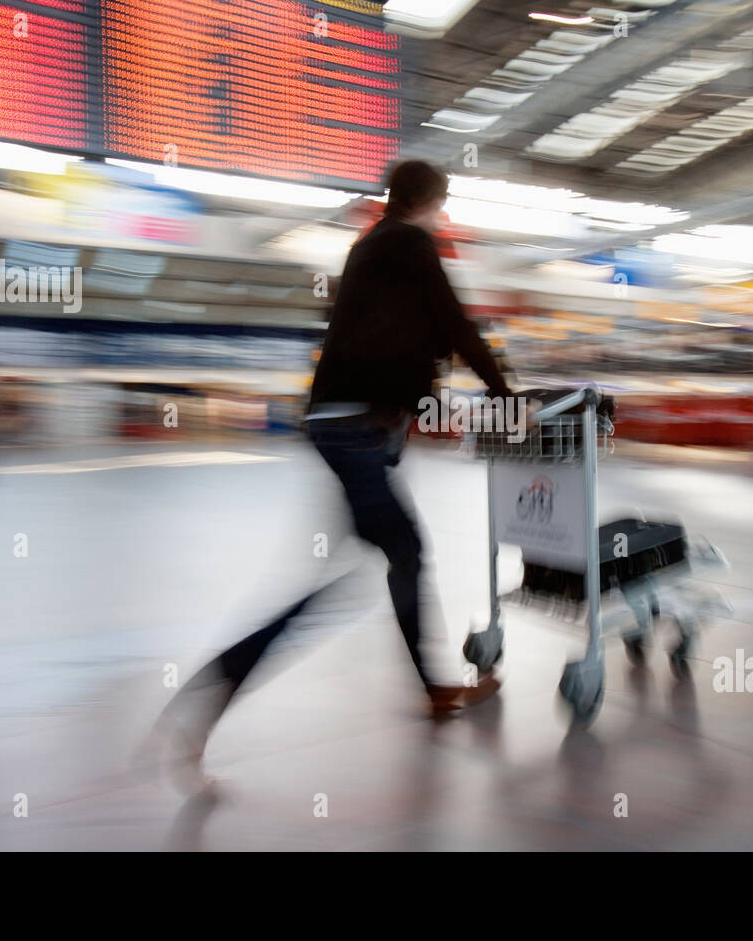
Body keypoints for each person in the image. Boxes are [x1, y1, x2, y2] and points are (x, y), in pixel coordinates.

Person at [145, 160, 516, 791]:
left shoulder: (370, 248)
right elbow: (453, 324)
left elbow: (414, 337)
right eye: (442, 206)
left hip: (341, 427)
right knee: (383, 562)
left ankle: (432, 689)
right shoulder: (409, 242)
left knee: (386, 560)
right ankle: (212, 692)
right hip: (355, 435)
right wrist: (506, 393)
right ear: (431, 202)